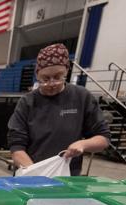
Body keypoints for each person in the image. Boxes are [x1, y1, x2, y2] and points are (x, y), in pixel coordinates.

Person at [7, 43, 110, 176]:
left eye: (57, 77)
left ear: (67, 70)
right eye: (45, 79)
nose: (51, 84)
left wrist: (84, 144)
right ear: (37, 74)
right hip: (31, 174)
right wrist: (36, 175)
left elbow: (103, 138)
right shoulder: (27, 102)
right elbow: (16, 147)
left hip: (67, 177)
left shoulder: (81, 97)